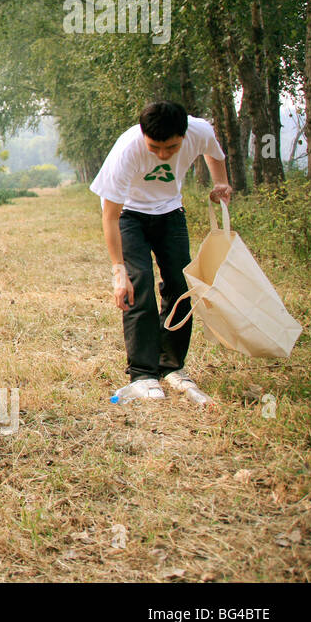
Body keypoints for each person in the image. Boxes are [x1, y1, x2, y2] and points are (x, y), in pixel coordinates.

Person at [90, 100, 231, 405]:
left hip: (170, 212)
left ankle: (172, 366)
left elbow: (214, 154)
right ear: (143, 135)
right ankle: (143, 374)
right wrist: (118, 270)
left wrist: (221, 182)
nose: (163, 155)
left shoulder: (200, 130)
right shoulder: (128, 150)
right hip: (129, 215)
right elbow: (110, 215)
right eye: (155, 147)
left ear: (184, 135)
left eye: (172, 147)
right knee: (138, 284)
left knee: (181, 286)